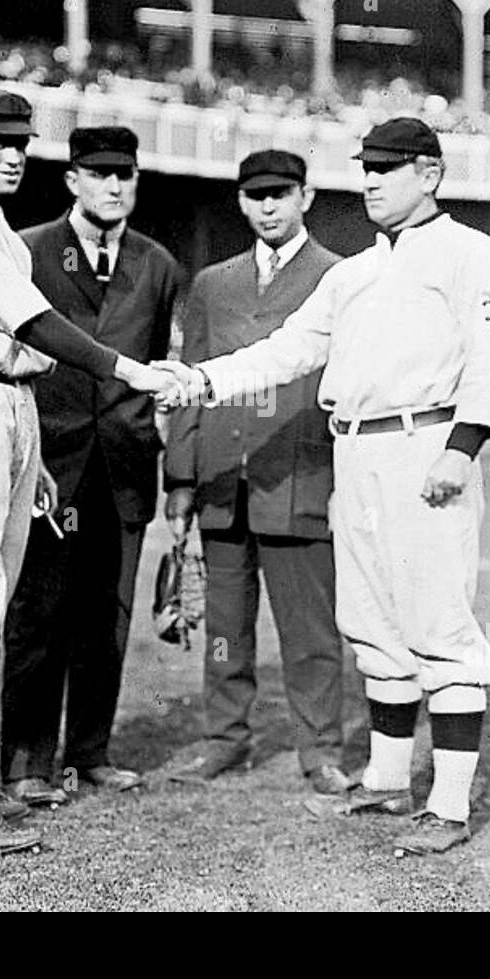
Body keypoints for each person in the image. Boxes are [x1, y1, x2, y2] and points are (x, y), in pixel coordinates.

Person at [155, 117, 490, 856]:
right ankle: (389, 780)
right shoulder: (351, 272)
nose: (374, 181)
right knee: (374, 624)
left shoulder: (471, 254)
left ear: (431, 174)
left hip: (426, 444)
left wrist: (464, 445)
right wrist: (199, 377)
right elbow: (287, 349)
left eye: (390, 168)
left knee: (439, 624)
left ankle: (448, 805)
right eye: (367, 168)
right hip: (353, 454)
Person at [0, 90, 175, 855]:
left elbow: (23, 350)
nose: (13, 154)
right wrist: (126, 369)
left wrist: (35, 453)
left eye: (22, 142)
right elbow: (32, 323)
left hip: (4, 405)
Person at [0, 126, 179, 805]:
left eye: (124, 174)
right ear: (71, 179)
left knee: (107, 619)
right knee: (39, 614)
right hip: (52, 462)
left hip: (125, 466)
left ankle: (91, 751)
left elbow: (152, 362)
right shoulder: (27, 249)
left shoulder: (157, 264)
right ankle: (25, 763)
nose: (112, 185)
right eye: (98, 173)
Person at [163, 150, 352, 796]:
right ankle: (224, 740)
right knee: (224, 629)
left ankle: (321, 750)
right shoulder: (214, 283)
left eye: (280, 193)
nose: (267, 206)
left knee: (309, 631)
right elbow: (191, 381)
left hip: (298, 477)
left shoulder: (339, 277)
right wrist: (180, 480)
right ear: (239, 200)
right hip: (221, 479)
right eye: (254, 194)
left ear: (307, 196)